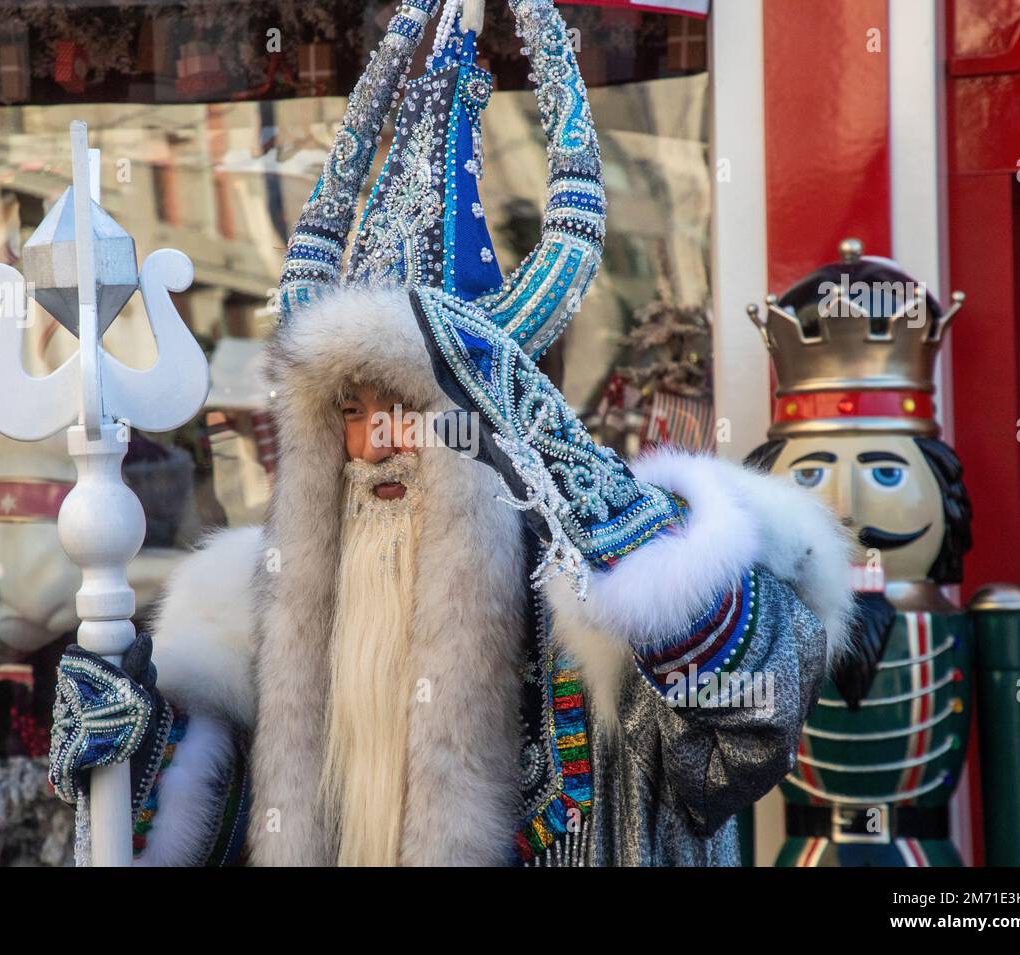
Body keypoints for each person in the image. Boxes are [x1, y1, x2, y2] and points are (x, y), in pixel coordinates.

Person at [48, 0, 854, 867]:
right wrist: (139, 751)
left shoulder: (605, 619)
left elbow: (753, 716)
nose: (380, 441)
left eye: (415, 402)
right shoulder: (271, 626)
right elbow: (217, 832)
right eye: (350, 412)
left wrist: (557, 457)